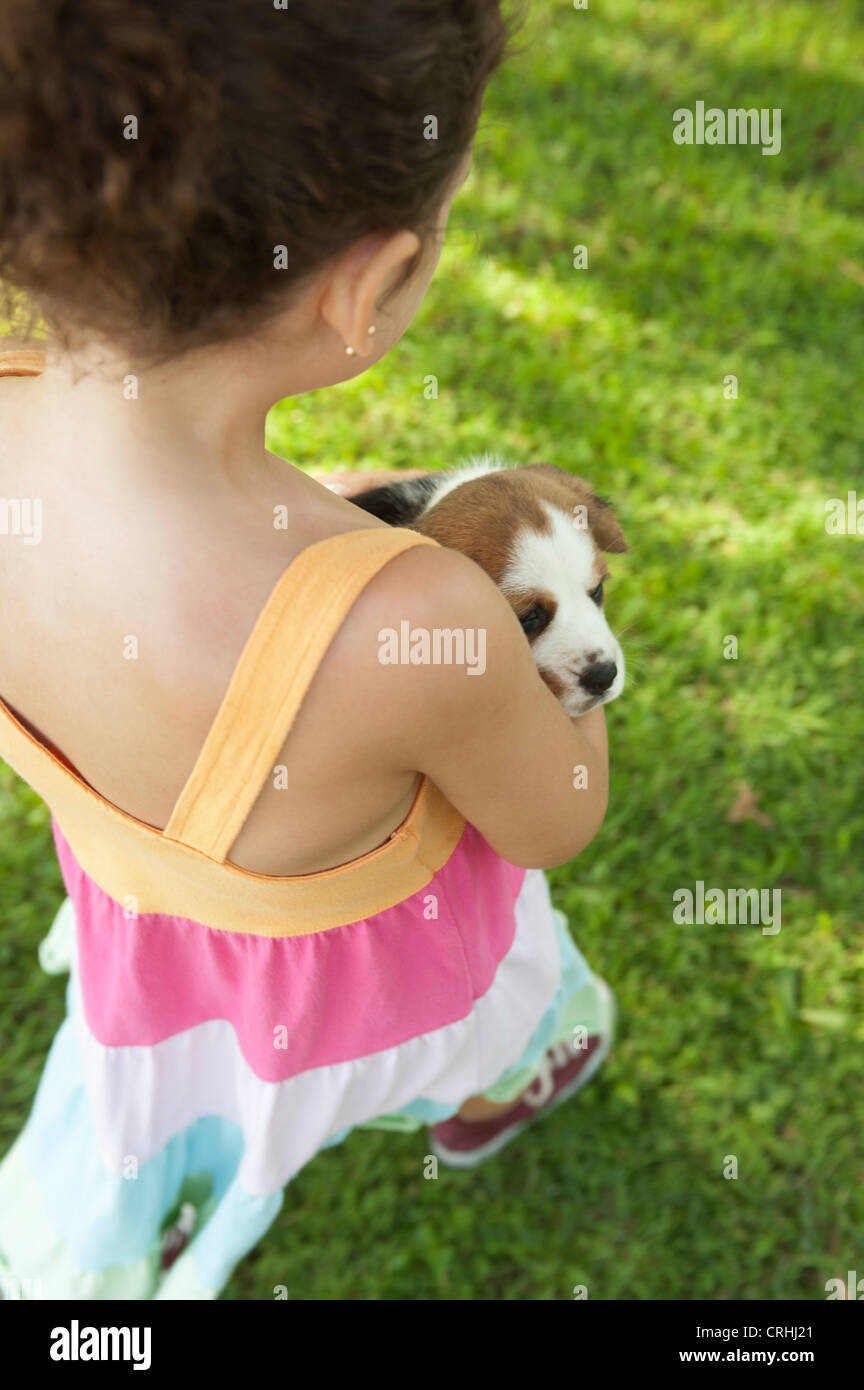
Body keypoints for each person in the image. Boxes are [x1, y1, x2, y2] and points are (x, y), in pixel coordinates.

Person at [0, 0, 614, 1300]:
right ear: (365, 286)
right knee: (515, 989)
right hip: (354, 990)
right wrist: (567, 635)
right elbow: (556, 814)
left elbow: (166, 569)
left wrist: (336, 508)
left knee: (152, 1074)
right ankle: (507, 1073)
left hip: (149, 934)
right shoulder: (413, 625)